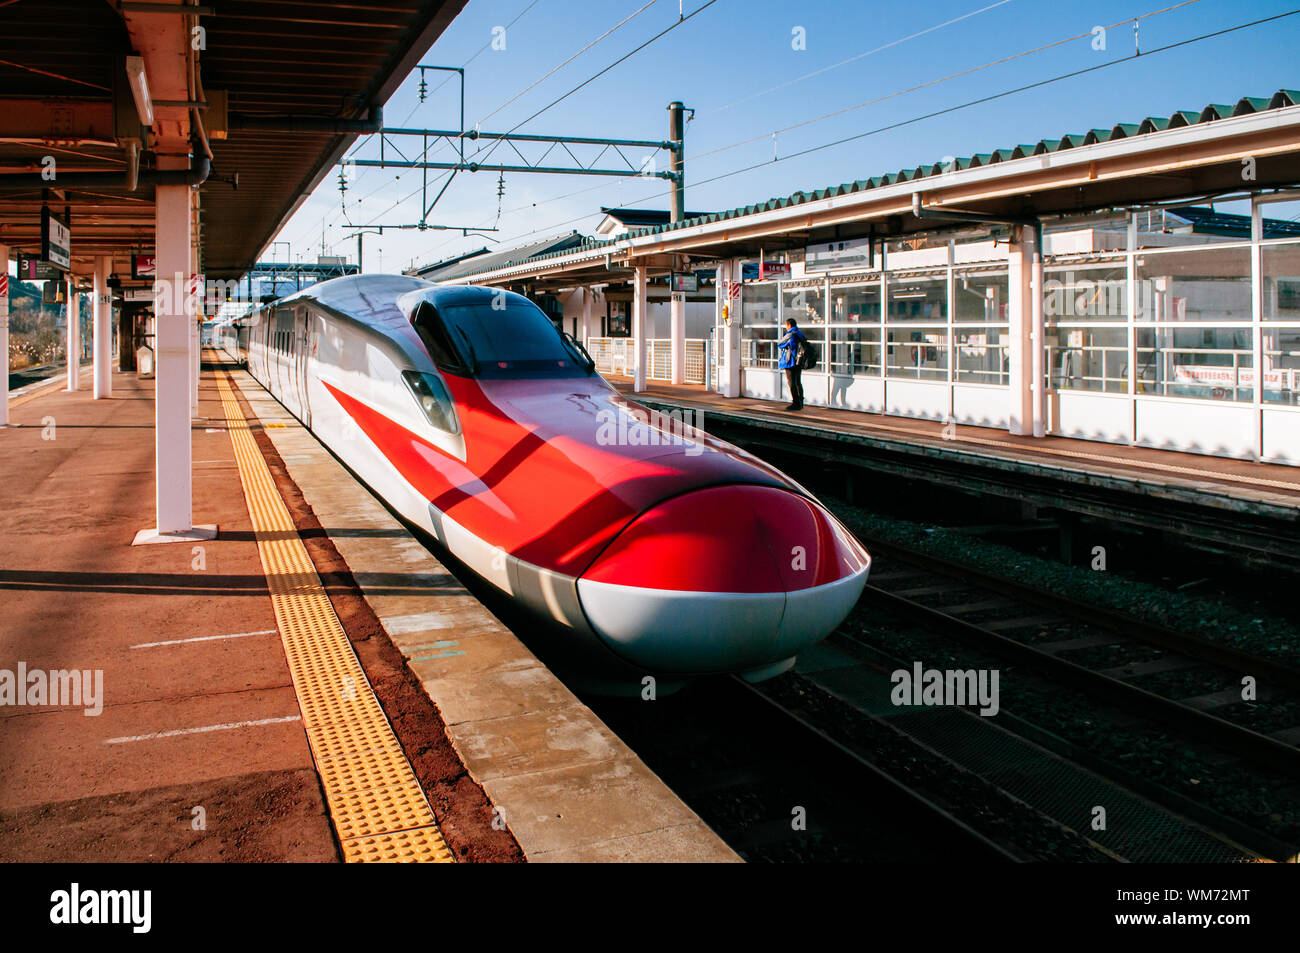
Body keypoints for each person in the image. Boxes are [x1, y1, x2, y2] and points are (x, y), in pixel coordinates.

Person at [777, 317, 805, 411]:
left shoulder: (790, 334)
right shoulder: (799, 333)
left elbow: (780, 344)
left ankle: (796, 403)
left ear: (789, 325)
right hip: (799, 360)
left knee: (791, 382)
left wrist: (786, 345)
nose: (786, 327)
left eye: (786, 325)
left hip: (790, 361)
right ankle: (801, 402)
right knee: (798, 382)